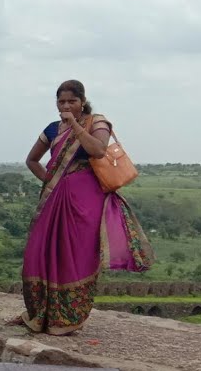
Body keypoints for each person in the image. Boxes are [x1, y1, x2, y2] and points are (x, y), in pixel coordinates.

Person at [14, 80, 152, 335]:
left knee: (74, 256)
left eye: (72, 101)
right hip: (55, 198)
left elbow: (98, 151)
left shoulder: (96, 123)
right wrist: (51, 180)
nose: (66, 106)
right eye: (61, 101)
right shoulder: (52, 129)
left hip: (86, 202)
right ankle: (40, 315)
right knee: (40, 251)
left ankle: (66, 319)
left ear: (82, 101)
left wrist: (76, 125)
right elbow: (32, 160)